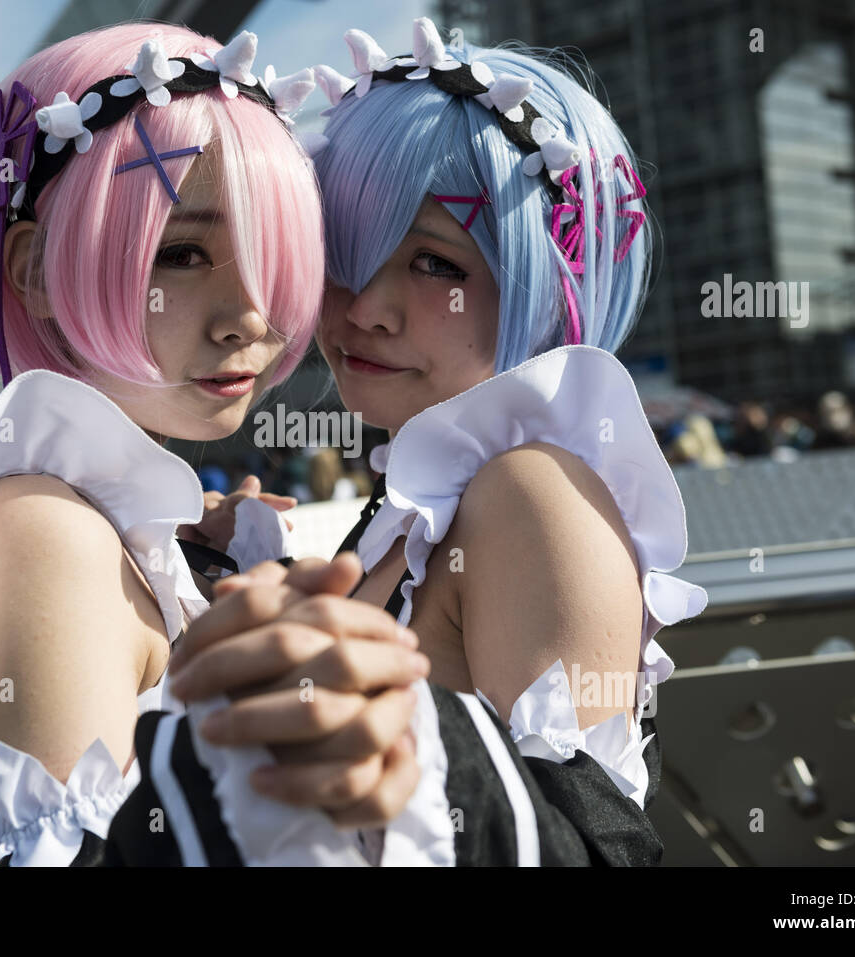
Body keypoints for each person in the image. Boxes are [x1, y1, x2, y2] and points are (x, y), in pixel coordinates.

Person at [124, 17, 710, 865]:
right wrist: (241, 575)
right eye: (347, 251)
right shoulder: (439, 498)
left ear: (544, 285)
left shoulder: (530, 493)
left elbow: (598, 845)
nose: (366, 305)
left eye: (436, 264)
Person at [0, 23, 426, 866]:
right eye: (183, 253)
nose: (250, 316)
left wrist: (212, 576)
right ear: (36, 270)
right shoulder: (39, 534)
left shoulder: (64, 521)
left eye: (269, 256)